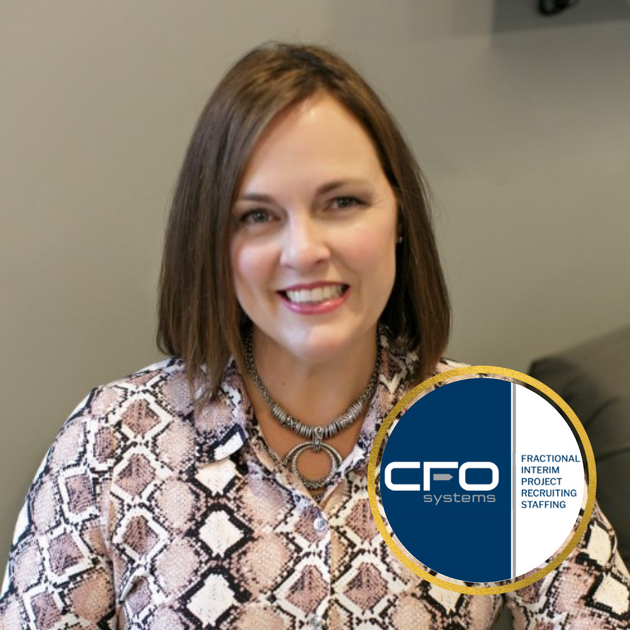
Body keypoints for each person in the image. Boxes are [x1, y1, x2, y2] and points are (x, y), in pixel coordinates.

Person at [0, 42, 628, 629]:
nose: (304, 250)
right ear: (212, 241)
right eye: (257, 215)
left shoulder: (498, 433)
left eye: (342, 202)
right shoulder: (110, 442)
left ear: (399, 216)